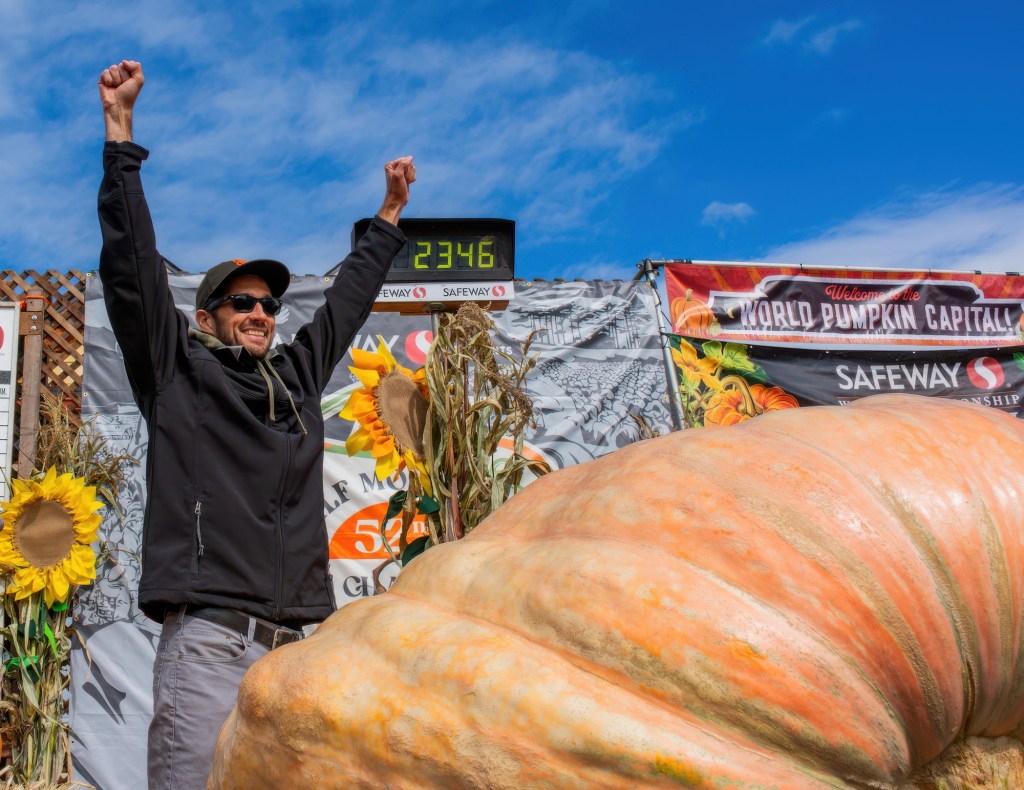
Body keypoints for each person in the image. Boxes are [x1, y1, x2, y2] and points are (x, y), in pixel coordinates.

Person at [96, 59, 415, 790]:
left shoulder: (297, 380)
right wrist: (121, 136)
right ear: (205, 318)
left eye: (268, 303)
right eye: (240, 303)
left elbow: (343, 308)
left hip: (289, 654)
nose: (259, 313)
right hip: (207, 643)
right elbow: (131, 266)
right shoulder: (177, 371)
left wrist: (389, 217)